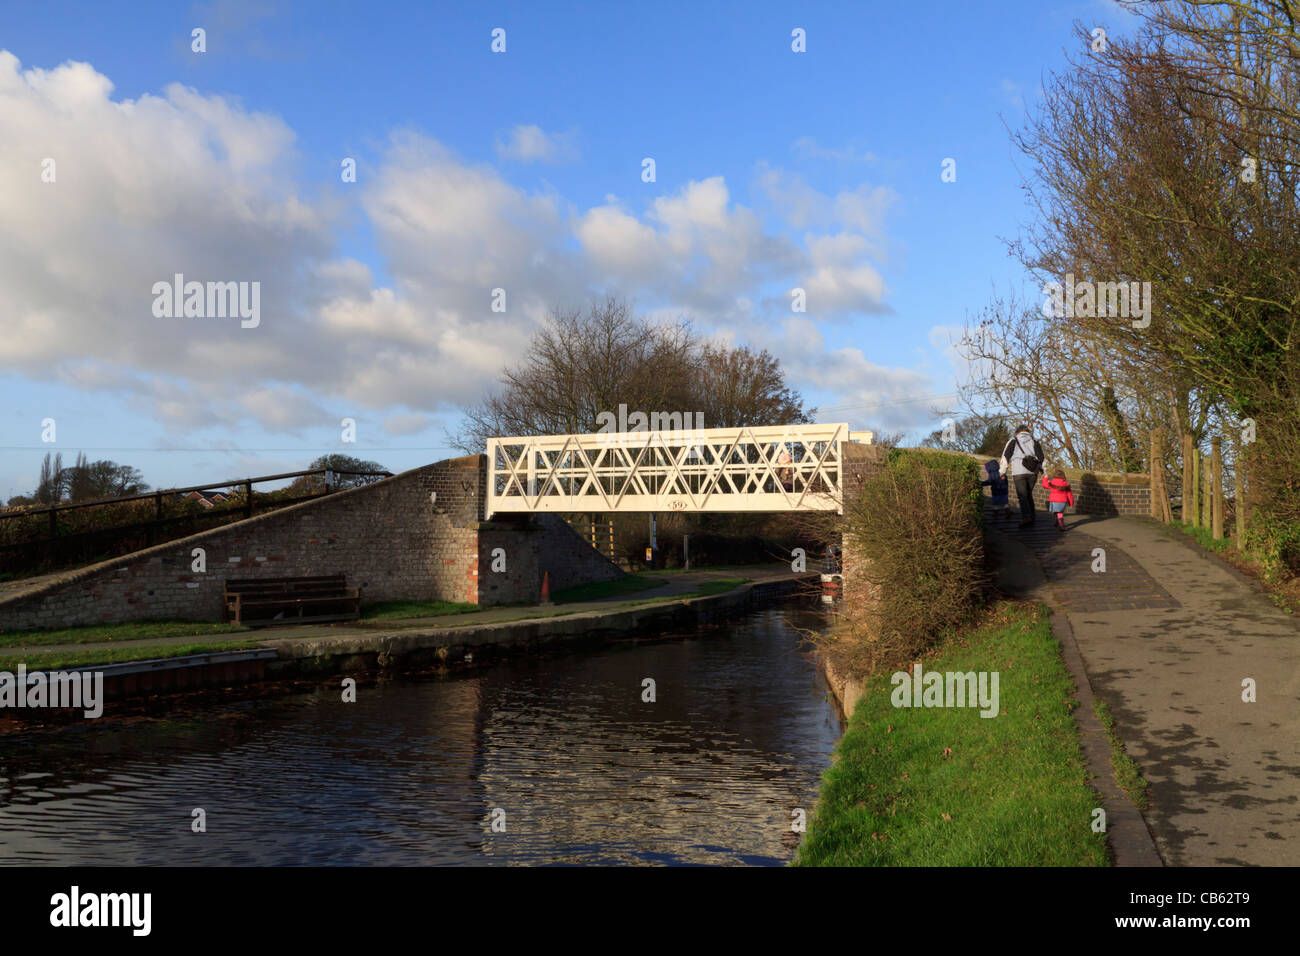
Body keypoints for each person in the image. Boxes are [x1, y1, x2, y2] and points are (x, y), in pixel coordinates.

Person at [999, 424, 1045, 528]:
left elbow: (1005, 457)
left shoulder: (1013, 440)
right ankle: (1032, 516)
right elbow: (1041, 458)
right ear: (1028, 432)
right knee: (1028, 494)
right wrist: (1044, 472)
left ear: (1017, 432)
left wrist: (1002, 472)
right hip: (1033, 471)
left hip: (1018, 471)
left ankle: (1026, 517)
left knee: (1022, 495)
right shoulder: (1034, 441)